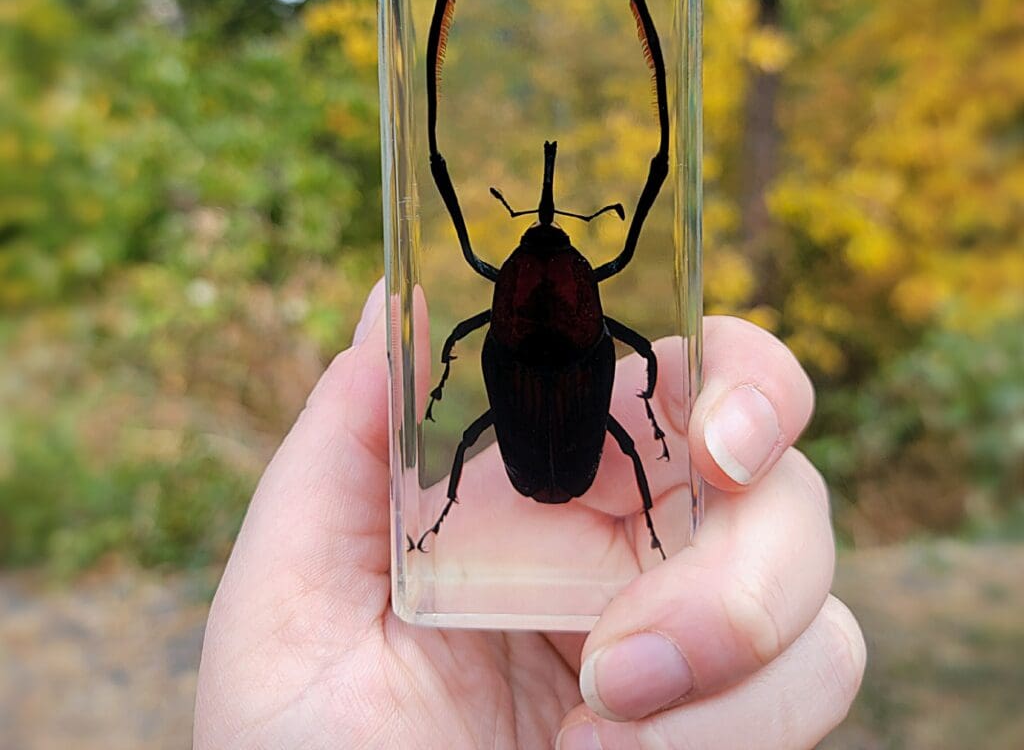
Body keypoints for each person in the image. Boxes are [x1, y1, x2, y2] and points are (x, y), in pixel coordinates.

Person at [193, 279, 864, 749]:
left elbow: (462, 335)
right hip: (565, 454)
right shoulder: (597, 336)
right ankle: (655, 531)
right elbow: (645, 340)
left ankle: (455, 514)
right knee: (631, 442)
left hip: (537, 462)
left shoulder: (491, 334)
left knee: (497, 438)